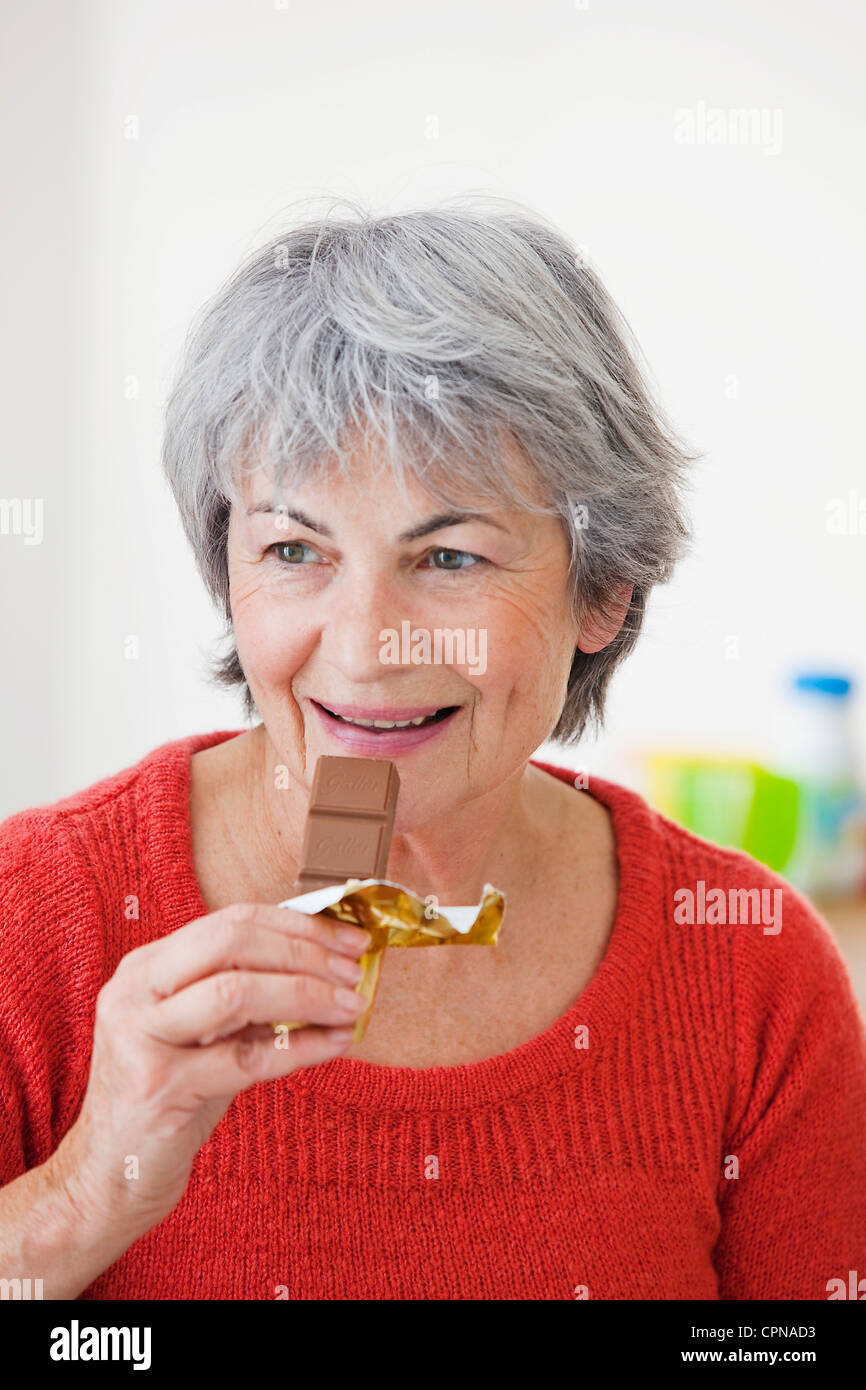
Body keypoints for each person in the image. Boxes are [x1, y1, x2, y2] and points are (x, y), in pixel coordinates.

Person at [2, 199, 864, 1300]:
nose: (364, 648)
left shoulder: (752, 974)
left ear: (603, 589)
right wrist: (86, 1190)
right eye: (294, 547)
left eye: (449, 556)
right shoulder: (34, 915)